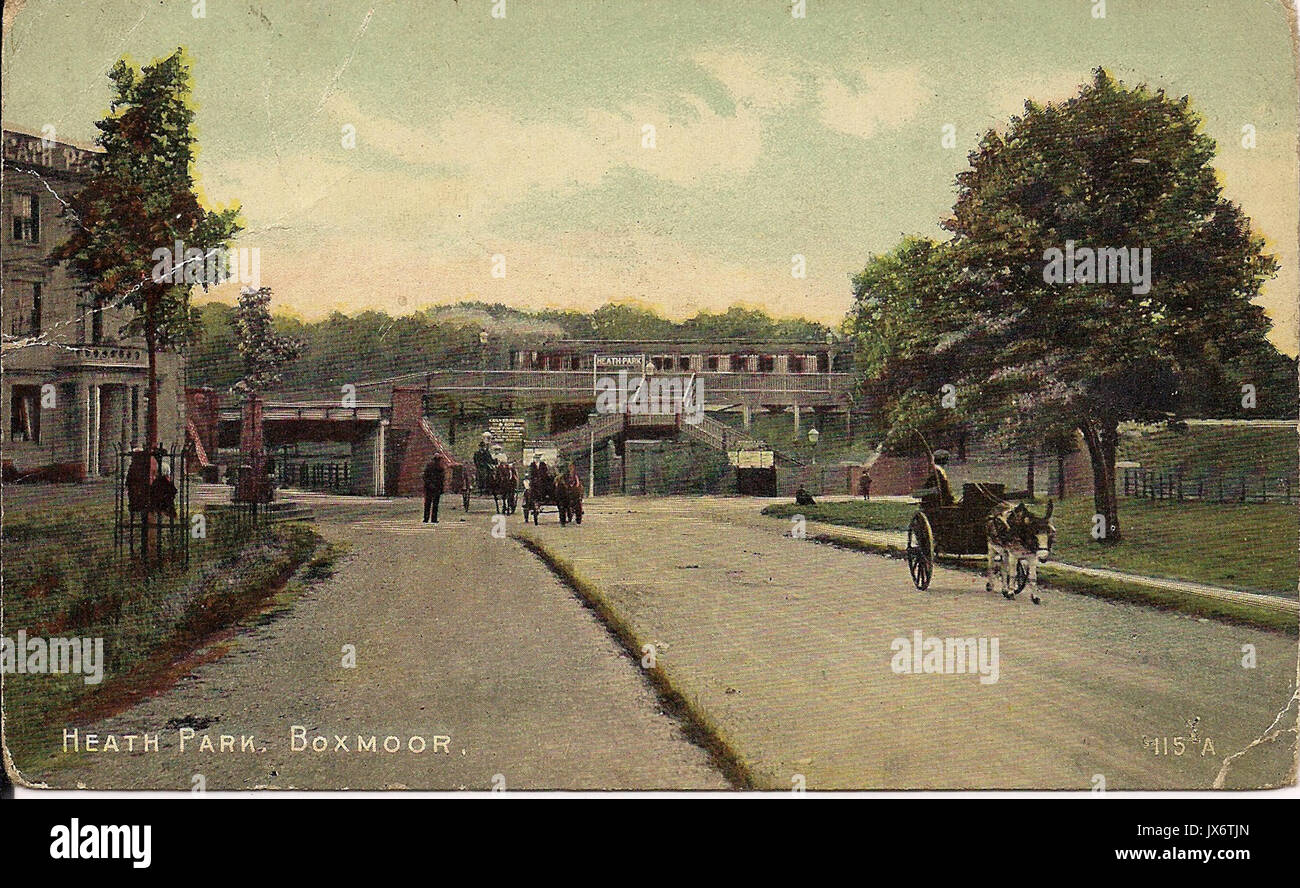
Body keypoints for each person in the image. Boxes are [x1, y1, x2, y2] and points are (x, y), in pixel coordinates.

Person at [423, 455, 445, 523]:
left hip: (429, 487)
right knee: (435, 504)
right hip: (436, 487)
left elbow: (424, 477)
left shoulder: (429, 466)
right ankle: (433, 518)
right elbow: (442, 479)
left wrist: (428, 484)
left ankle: (426, 518)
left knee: (428, 503)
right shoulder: (440, 468)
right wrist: (441, 488)